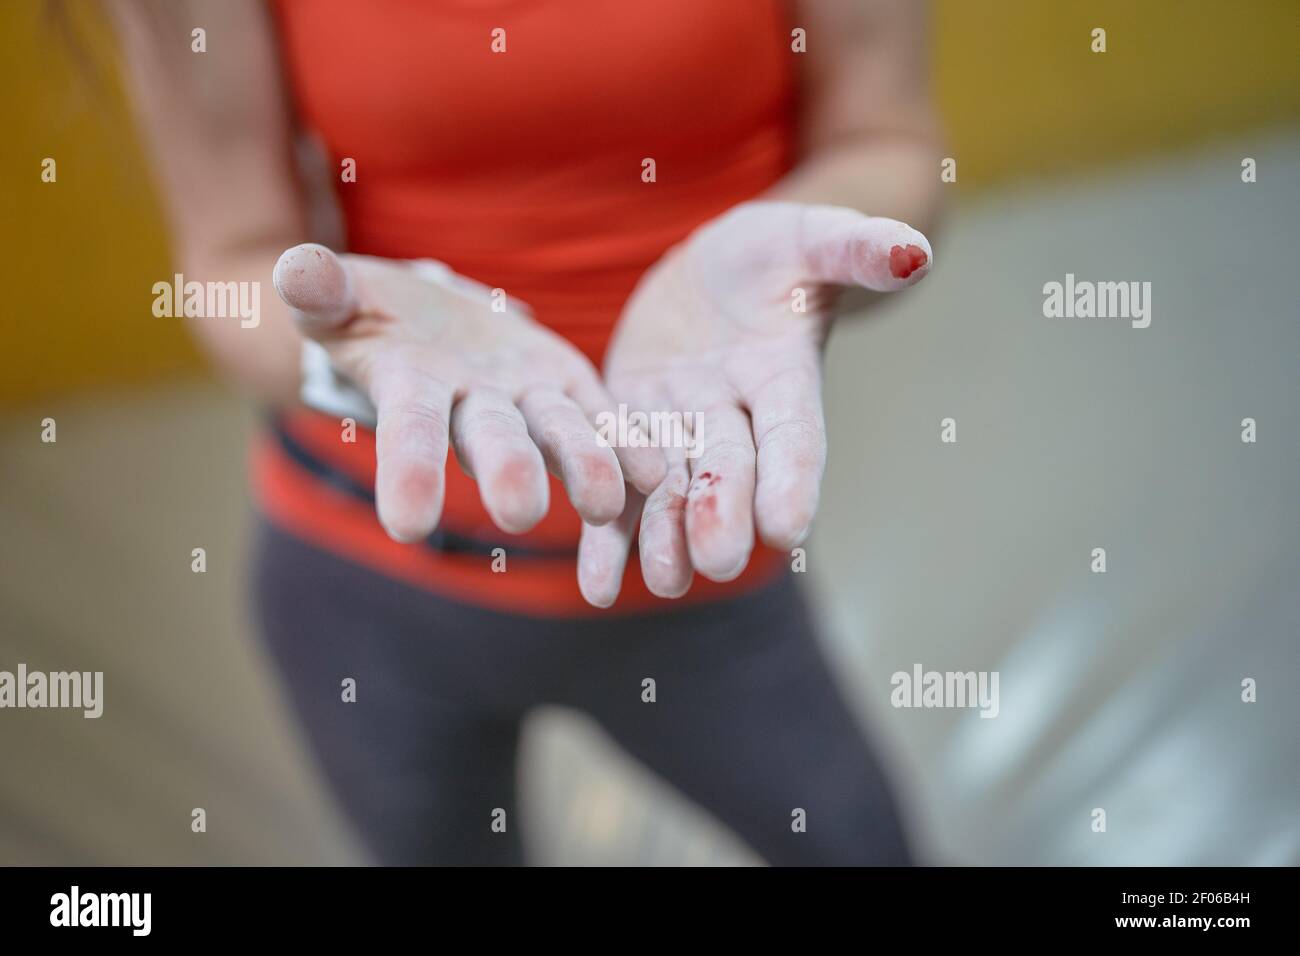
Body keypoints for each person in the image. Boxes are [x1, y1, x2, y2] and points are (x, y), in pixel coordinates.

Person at [109, 0, 942, 864]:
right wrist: (352, 348)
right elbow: (229, 258)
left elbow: (888, 140)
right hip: (364, 585)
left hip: (696, 557)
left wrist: (809, 251)